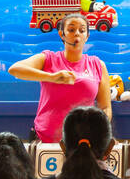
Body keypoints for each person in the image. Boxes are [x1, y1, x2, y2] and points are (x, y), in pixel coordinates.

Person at [9, 14, 111, 143]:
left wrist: (102, 135)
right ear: (62, 34)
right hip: (45, 139)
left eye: (82, 30)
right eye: (71, 29)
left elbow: (105, 107)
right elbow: (15, 69)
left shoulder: (97, 65)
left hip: (83, 142)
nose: (77, 34)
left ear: (87, 36)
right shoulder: (48, 58)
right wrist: (51, 77)